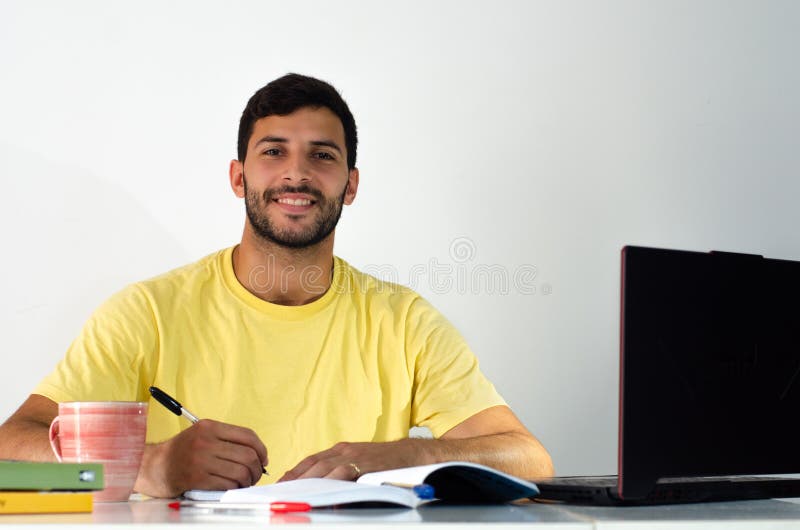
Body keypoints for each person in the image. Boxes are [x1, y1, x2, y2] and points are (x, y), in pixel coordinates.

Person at [0, 74, 553, 498]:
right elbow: (10, 453)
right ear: (239, 176)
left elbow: (528, 457)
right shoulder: (146, 313)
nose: (297, 174)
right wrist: (150, 466)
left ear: (350, 184)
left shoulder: (403, 321)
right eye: (273, 152)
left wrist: (396, 457)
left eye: (322, 155)